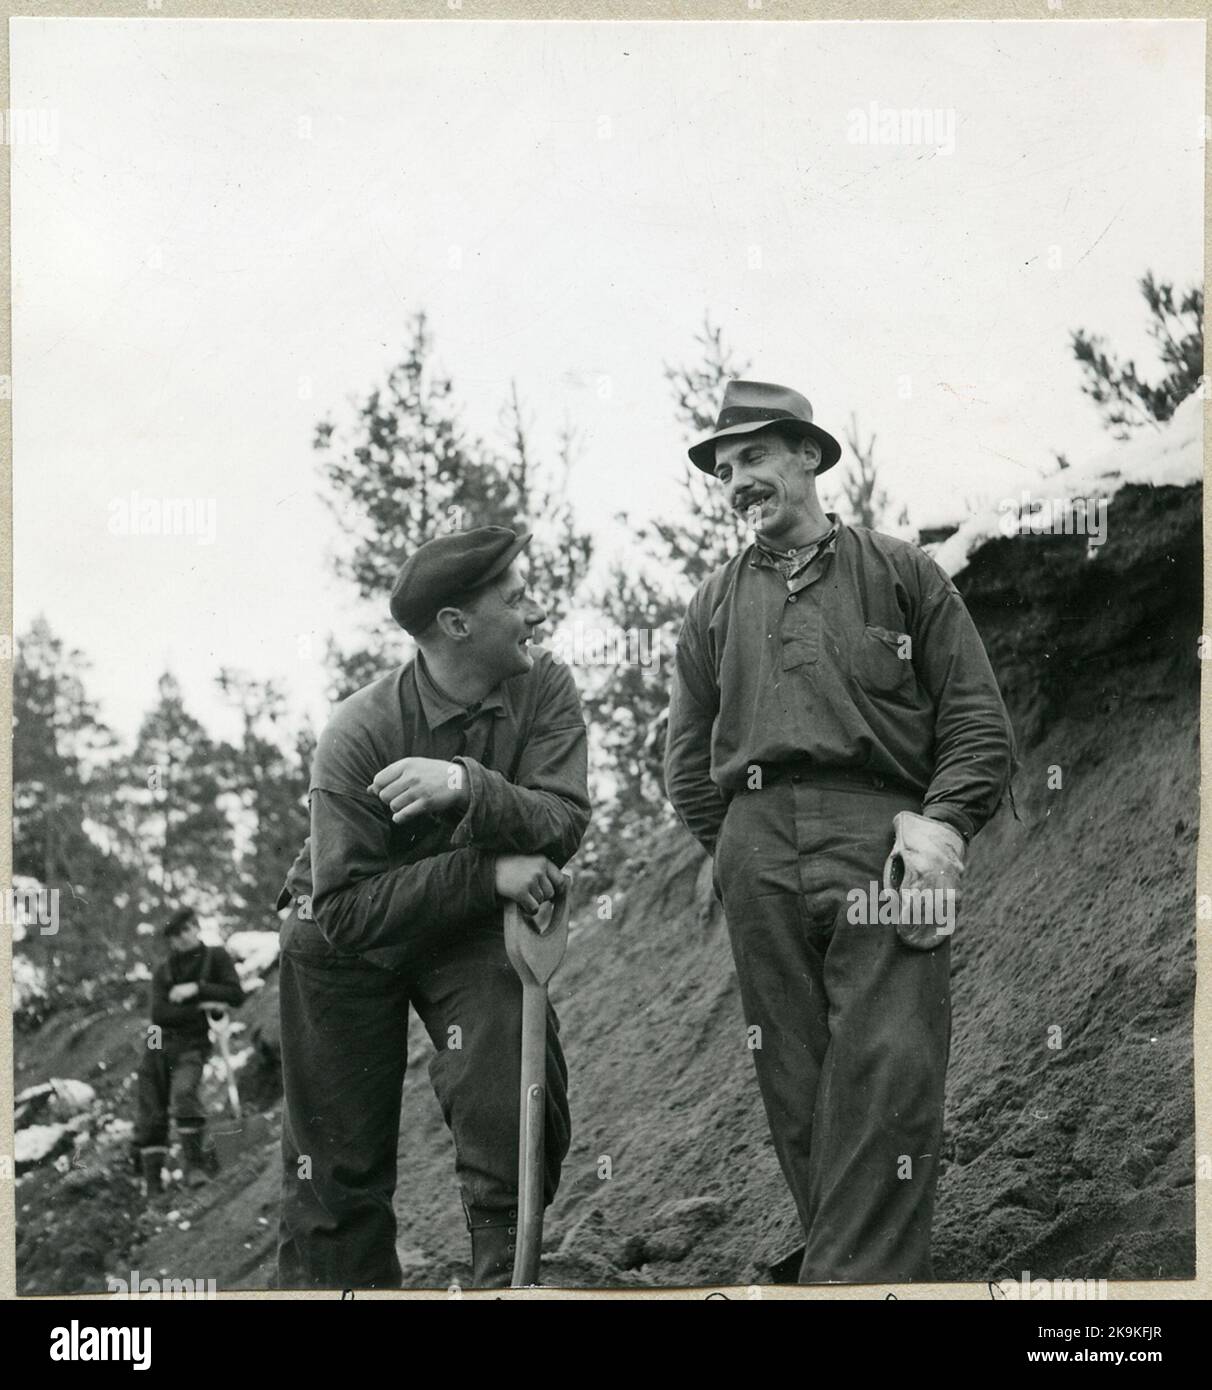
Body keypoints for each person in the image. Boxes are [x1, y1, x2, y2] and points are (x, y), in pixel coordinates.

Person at [665, 379, 1015, 1283]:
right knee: (795, 1078)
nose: (738, 480)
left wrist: (943, 824)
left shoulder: (902, 572)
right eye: (724, 467)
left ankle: (839, 1280)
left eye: (755, 458)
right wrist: (737, 851)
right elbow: (684, 761)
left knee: (892, 1063)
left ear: (809, 458)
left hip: (883, 840)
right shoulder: (709, 607)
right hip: (754, 844)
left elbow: (976, 719)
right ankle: (854, 1269)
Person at [275, 524, 590, 1291]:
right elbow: (345, 909)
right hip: (344, 937)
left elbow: (563, 819)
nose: (539, 615)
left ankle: (502, 1277)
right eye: (518, 601)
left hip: (459, 930)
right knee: (336, 1168)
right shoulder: (357, 733)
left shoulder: (543, 686)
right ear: (457, 625)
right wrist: (486, 873)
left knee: (508, 1082)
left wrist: (464, 786)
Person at [133, 906, 244, 1196]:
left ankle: (195, 1168)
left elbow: (234, 994)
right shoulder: (163, 970)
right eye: (174, 934)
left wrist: (195, 988)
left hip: (192, 1045)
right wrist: (200, 1007)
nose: (180, 938)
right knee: (152, 1112)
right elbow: (159, 1014)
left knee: (184, 1094)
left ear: (196, 927)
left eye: (184, 930)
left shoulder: (216, 958)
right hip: (157, 1045)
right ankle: (154, 1188)